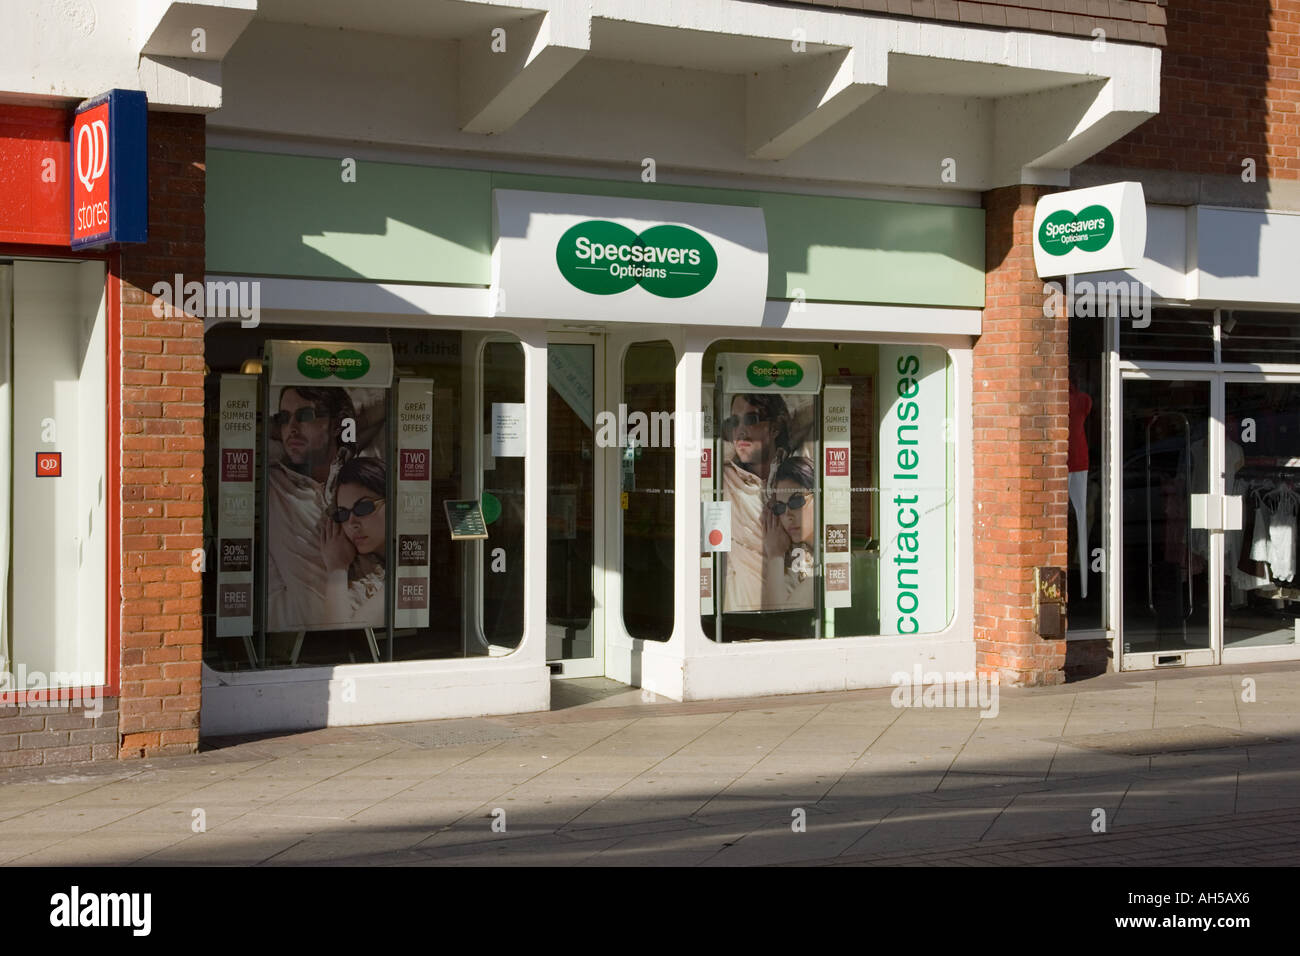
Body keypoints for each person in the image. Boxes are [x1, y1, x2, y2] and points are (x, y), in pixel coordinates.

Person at [266, 385, 357, 631]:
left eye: (305, 416)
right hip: (296, 633)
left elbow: (383, 408)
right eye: (283, 419)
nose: (292, 428)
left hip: (360, 624)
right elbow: (235, 431)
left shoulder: (360, 475)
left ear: (337, 424)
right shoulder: (272, 480)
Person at [720, 392, 792, 612]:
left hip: (789, 606)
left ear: (775, 428)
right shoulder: (724, 474)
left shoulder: (794, 473)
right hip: (740, 608)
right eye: (734, 421)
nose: (740, 430)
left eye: (751, 420)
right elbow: (699, 447)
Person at [321, 456, 387, 628]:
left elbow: (341, 635)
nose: (352, 523)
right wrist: (337, 568)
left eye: (363, 507)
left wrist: (336, 569)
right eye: (343, 514)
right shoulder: (358, 565)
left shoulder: (410, 563)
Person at [765, 455, 816, 609]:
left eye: (796, 501)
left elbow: (782, 613)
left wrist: (775, 556)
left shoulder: (832, 555)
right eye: (780, 507)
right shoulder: (794, 555)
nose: (787, 515)